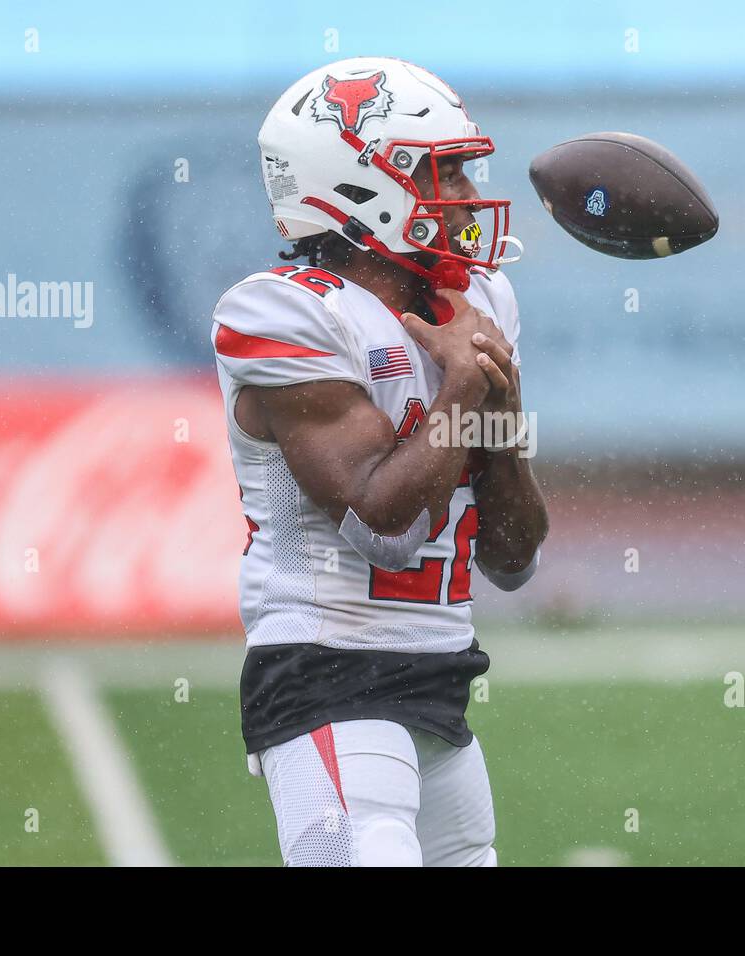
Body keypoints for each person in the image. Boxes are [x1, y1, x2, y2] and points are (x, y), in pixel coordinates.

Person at [211, 56, 548, 866]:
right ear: (361, 188)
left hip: (438, 678)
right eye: (446, 175)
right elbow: (382, 524)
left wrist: (498, 412)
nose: (467, 200)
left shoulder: (482, 301)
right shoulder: (286, 312)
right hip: (327, 671)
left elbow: (512, 556)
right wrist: (464, 386)